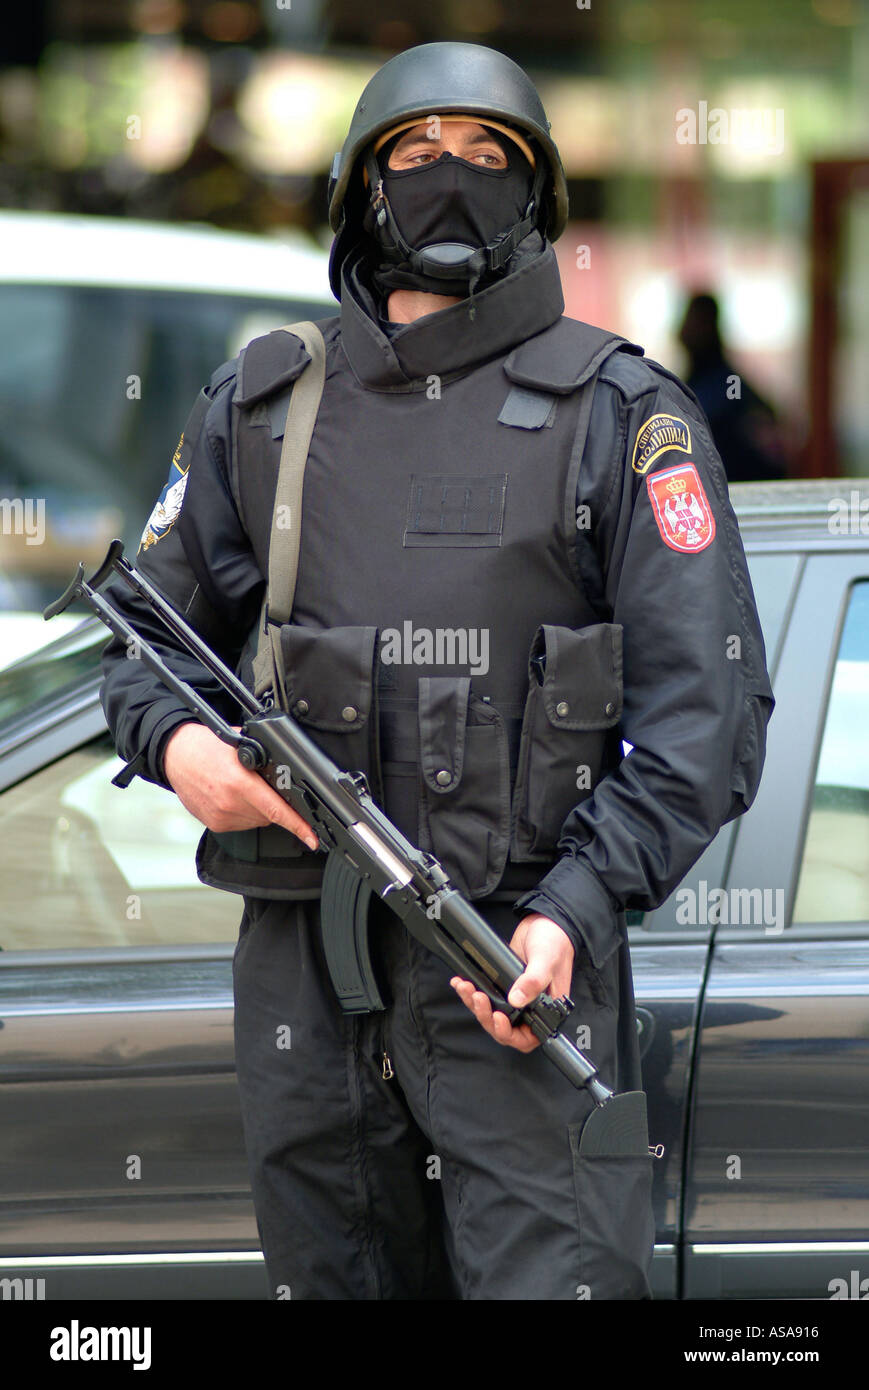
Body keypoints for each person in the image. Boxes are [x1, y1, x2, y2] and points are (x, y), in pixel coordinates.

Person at [99, 41, 774, 1300]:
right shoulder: (264, 406)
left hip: (517, 977)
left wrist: (571, 909)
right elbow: (141, 640)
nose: (447, 176)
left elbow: (710, 718)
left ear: (534, 198)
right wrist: (186, 754)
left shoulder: (624, 419)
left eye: (485, 155)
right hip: (309, 985)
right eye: (412, 155)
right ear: (363, 188)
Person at [678, 291, 788, 482]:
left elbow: (744, 409)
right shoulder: (693, 381)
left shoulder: (729, 381)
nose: (683, 331)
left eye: (693, 321)